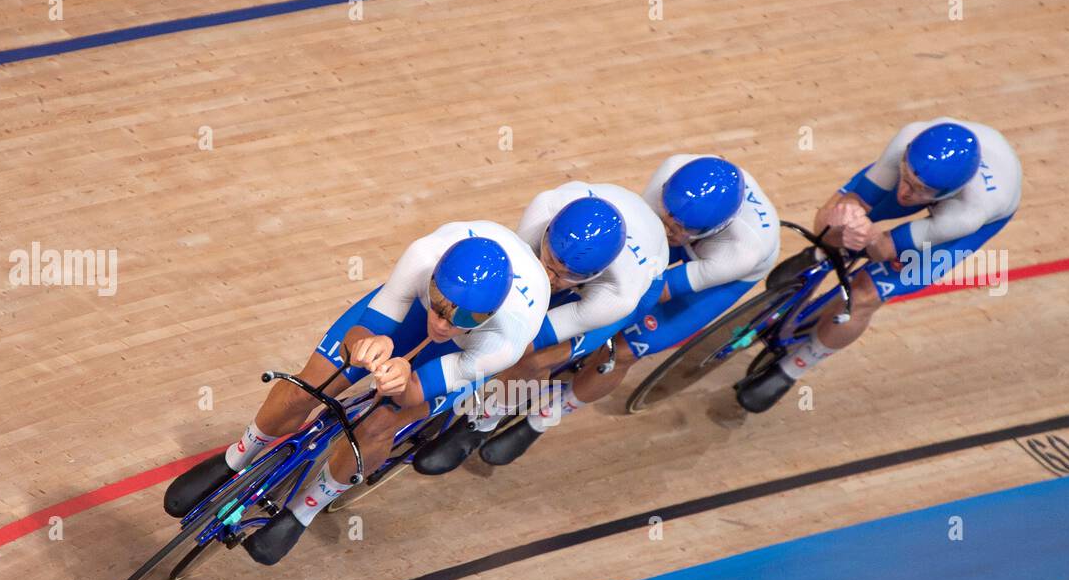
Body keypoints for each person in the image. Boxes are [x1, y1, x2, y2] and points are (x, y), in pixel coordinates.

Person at [162, 223, 548, 564]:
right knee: (311, 386)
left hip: (465, 353)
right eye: (441, 307)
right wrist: (367, 345)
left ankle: (304, 510)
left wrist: (403, 380)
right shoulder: (423, 258)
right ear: (434, 281)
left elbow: (415, 392)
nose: (444, 323)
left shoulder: (505, 339)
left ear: (490, 315)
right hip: (411, 307)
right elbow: (359, 333)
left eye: (464, 318)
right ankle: (237, 455)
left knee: (383, 422)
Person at [735, 119, 1022, 412]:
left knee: (863, 296)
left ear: (947, 193)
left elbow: (883, 248)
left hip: (966, 221)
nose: (906, 194)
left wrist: (866, 236)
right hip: (930, 176)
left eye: (919, 190)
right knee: (837, 218)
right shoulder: (906, 142)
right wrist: (845, 220)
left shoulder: (966, 215)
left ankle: (795, 366)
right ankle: (823, 256)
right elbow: (841, 206)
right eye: (907, 178)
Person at [413, 182, 668, 472]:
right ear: (547, 233)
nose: (548, 276)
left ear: (594, 273)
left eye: (565, 274)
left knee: (536, 357)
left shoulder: (618, 294)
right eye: (549, 260)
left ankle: (493, 421)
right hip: (593, 229)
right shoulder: (544, 208)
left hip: (639, 285)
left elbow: (531, 337)